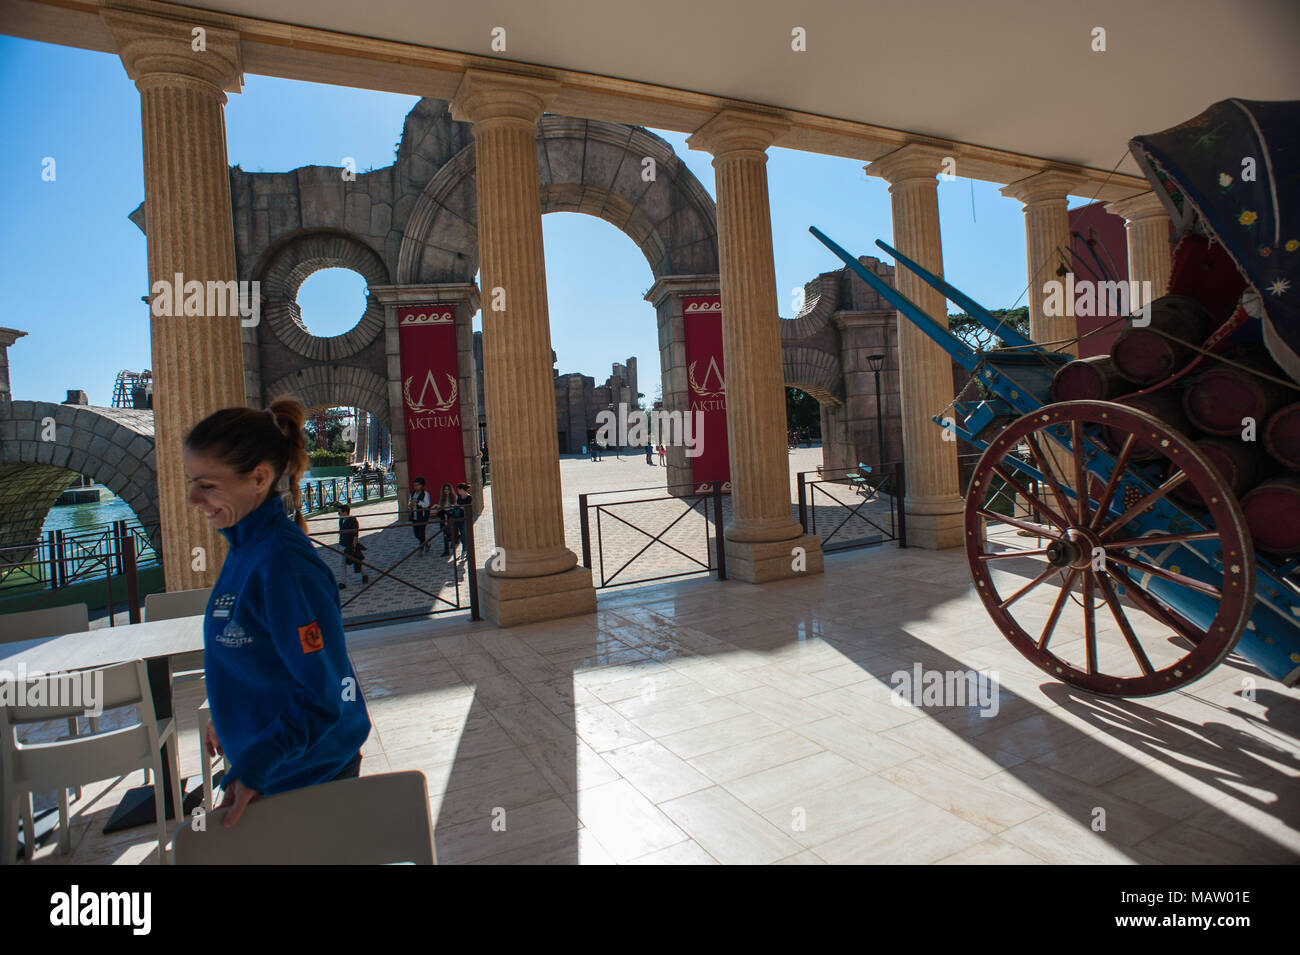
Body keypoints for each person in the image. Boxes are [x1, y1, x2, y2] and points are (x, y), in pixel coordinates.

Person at [183, 397, 371, 828]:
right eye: (192, 481)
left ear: (260, 478)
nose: (192, 498)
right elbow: (254, 650)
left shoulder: (283, 565)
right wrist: (228, 709)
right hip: (279, 770)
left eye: (207, 484)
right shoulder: (245, 547)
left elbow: (323, 695)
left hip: (305, 779)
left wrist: (256, 766)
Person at [337, 503, 368, 587]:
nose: (338, 514)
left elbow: (355, 535)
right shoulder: (341, 520)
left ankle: (364, 575)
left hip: (350, 545)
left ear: (345, 512)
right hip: (342, 544)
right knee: (342, 564)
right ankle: (343, 582)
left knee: (356, 561)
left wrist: (354, 546)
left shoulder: (353, 520)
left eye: (339, 512)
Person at [409, 477, 432, 556]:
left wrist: (418, 501)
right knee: (416, 533)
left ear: (421, 485)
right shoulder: (412, 494)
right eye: (414, 485)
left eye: (417, 485)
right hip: (414, 516)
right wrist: (410, 504)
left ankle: (421, 548)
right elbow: (409, 504)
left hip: (422, 516)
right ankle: (426, 544)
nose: (415, 487)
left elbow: (427, 504)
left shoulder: (425, 494)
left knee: (421, 532)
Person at [436, 482, 457, 556]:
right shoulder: (442, 498)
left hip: (451, 517)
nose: (446, 491)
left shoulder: (454, 497)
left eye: (448, 489)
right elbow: (440, 507)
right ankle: (446, 550)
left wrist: (451, 507)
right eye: (445, 489)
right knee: (445, 534)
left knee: (450, 532)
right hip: (444, 517)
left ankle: (454, 540)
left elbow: (455, 506)